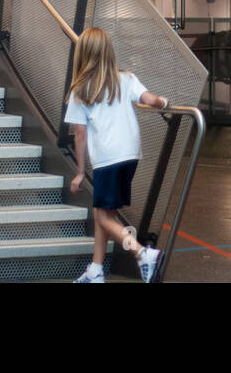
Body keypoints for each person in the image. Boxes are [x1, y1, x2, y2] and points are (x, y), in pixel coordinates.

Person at [65, 27, 168, 283]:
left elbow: (79, 134)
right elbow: (150, 98)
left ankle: (143, 253)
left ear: (82, 55)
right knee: (105, 212)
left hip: (108, 159)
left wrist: (79, 172)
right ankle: (96, 270)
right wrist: (161, 102)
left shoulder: (81, 90)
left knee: (101, 216)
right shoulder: (126, 78)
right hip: (130, 155)